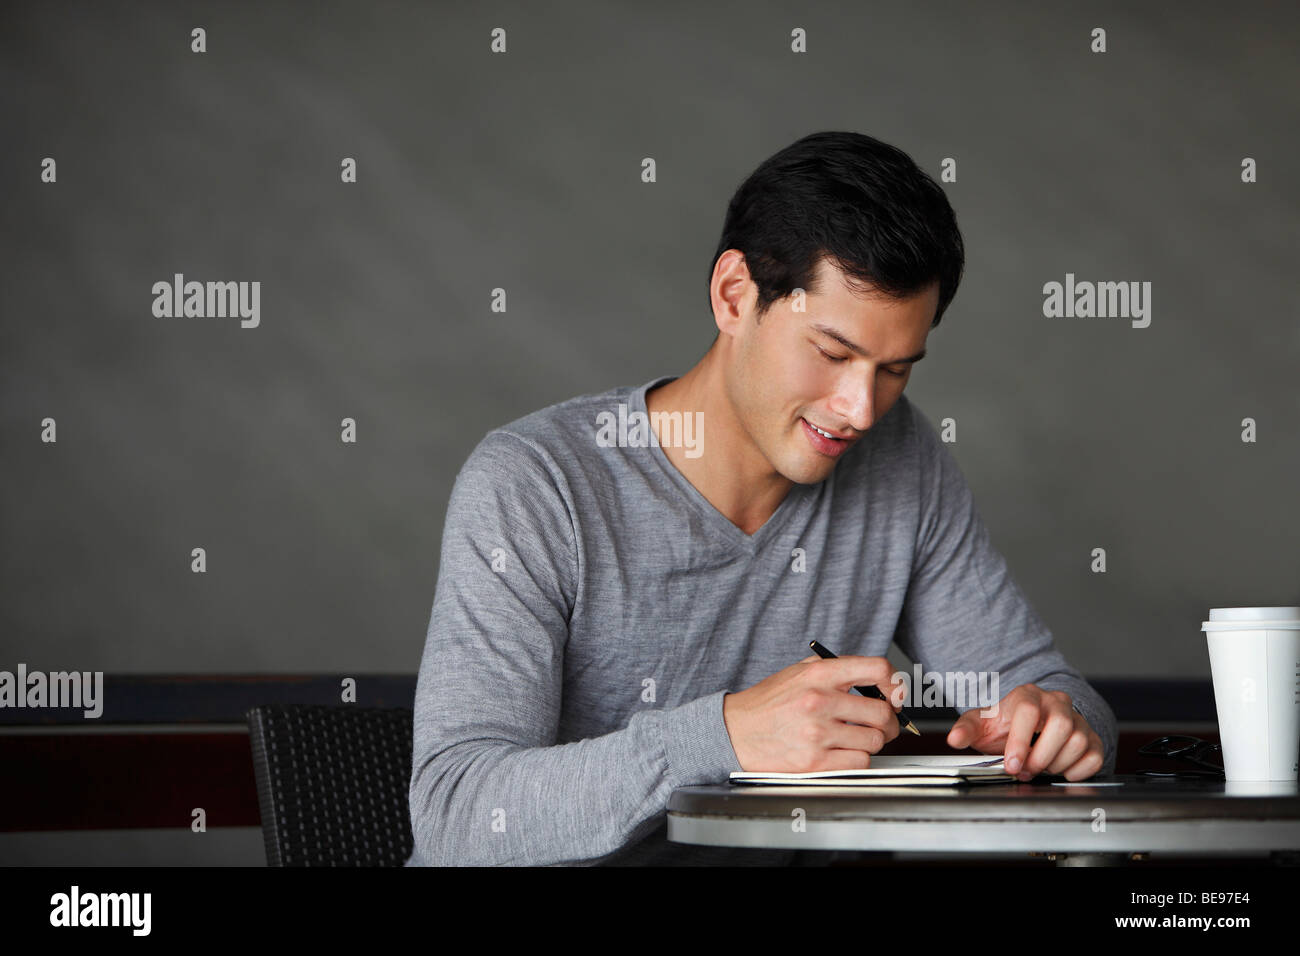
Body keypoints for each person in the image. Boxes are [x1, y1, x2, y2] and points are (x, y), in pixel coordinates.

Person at [406, 130, 1116, 866]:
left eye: (896, 369)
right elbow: (459, 814)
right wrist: (724, 737)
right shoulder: (535, 483)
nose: (860, 409)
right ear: (734, 296)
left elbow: (1052, 689)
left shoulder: (899, 459)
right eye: (833, 354)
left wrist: (1058, 719)